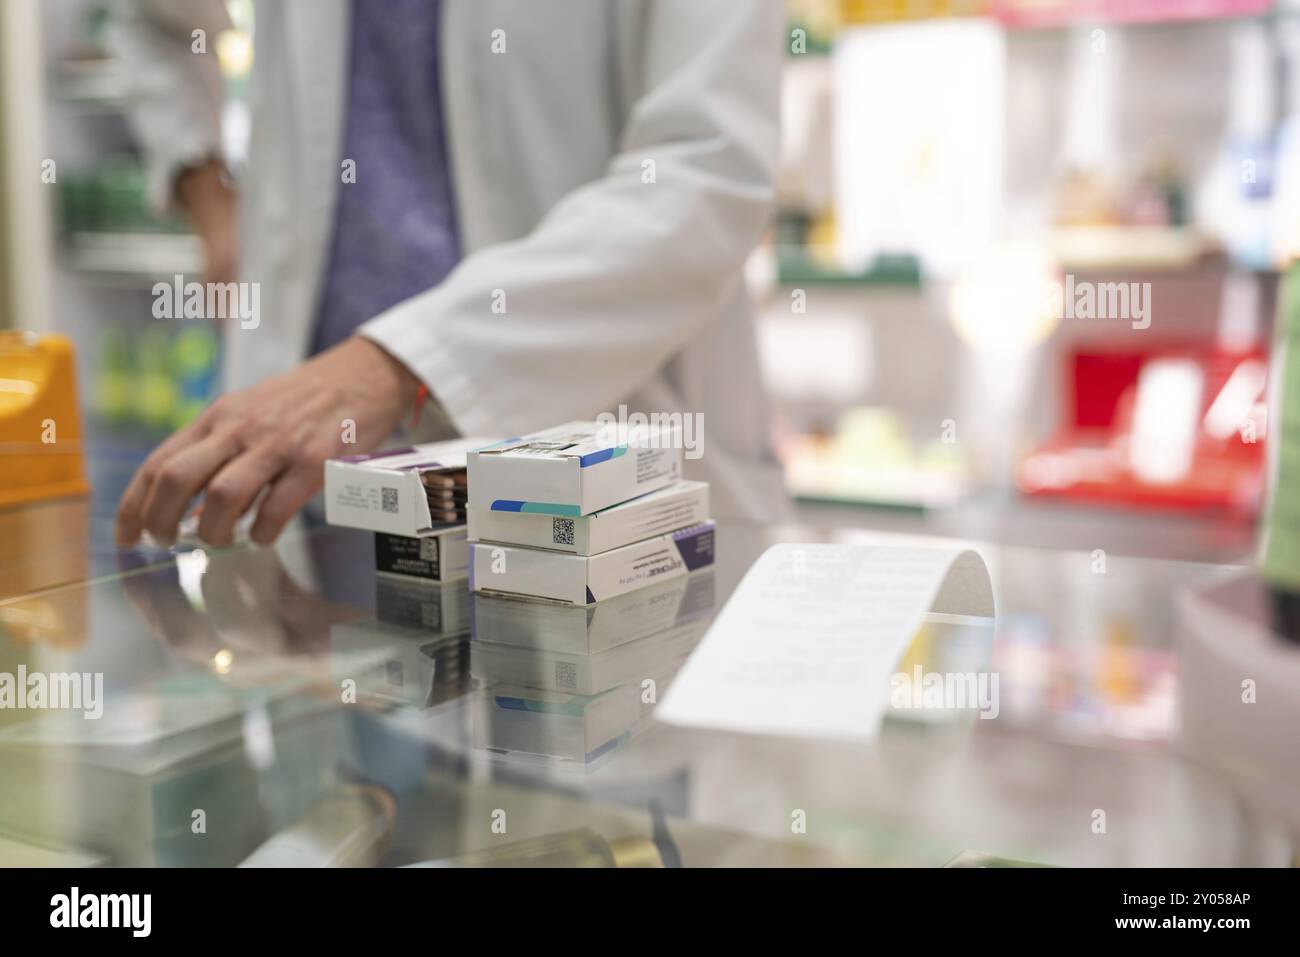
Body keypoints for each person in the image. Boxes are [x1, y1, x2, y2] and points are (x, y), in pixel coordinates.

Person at [110, 0, 788, 548]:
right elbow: (151, 20)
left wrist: (397, 365)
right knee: (344, 690)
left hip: (588, 469)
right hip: (314, 481)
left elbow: (706, 170)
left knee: (598, 696)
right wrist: (213, 206)